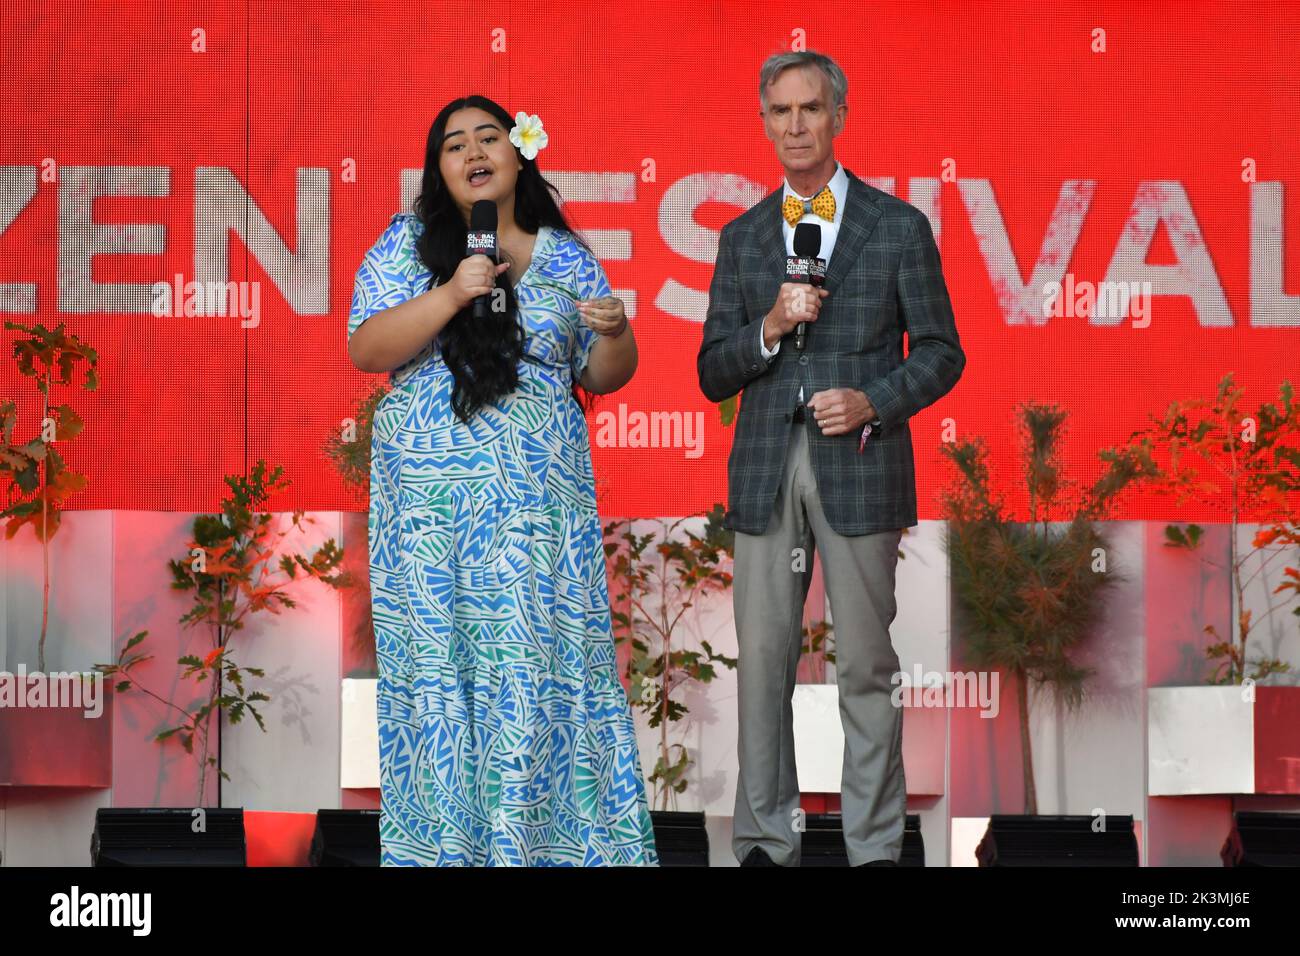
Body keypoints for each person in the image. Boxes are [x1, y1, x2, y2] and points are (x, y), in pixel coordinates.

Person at [348, 95, 658, 866]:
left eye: (489, 136)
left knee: (540, 671)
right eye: (454, 145)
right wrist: (454, 290)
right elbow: (367, 348)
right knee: (442, 675)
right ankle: (448, 851)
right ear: (439, 170)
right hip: (432, 515)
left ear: (520, 155)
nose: (473, 151)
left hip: (536, 514)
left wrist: (617, 333)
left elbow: (605, 373)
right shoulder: (407, 245)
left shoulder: (564, 255)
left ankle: (550, 850)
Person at [697, 51, 965, 867]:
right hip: (766, 472)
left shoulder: (897, 227)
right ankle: (763, 844)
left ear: (838, 117)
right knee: (764, 669)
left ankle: (876, 847)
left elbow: (943, 353)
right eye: (780, 111)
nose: (796, 126)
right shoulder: (743, 238)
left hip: (862, 464)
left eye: (811, 109)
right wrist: (771, 326)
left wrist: (874, 399)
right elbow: (713, 371)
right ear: (765, 122)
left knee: (867, 669)